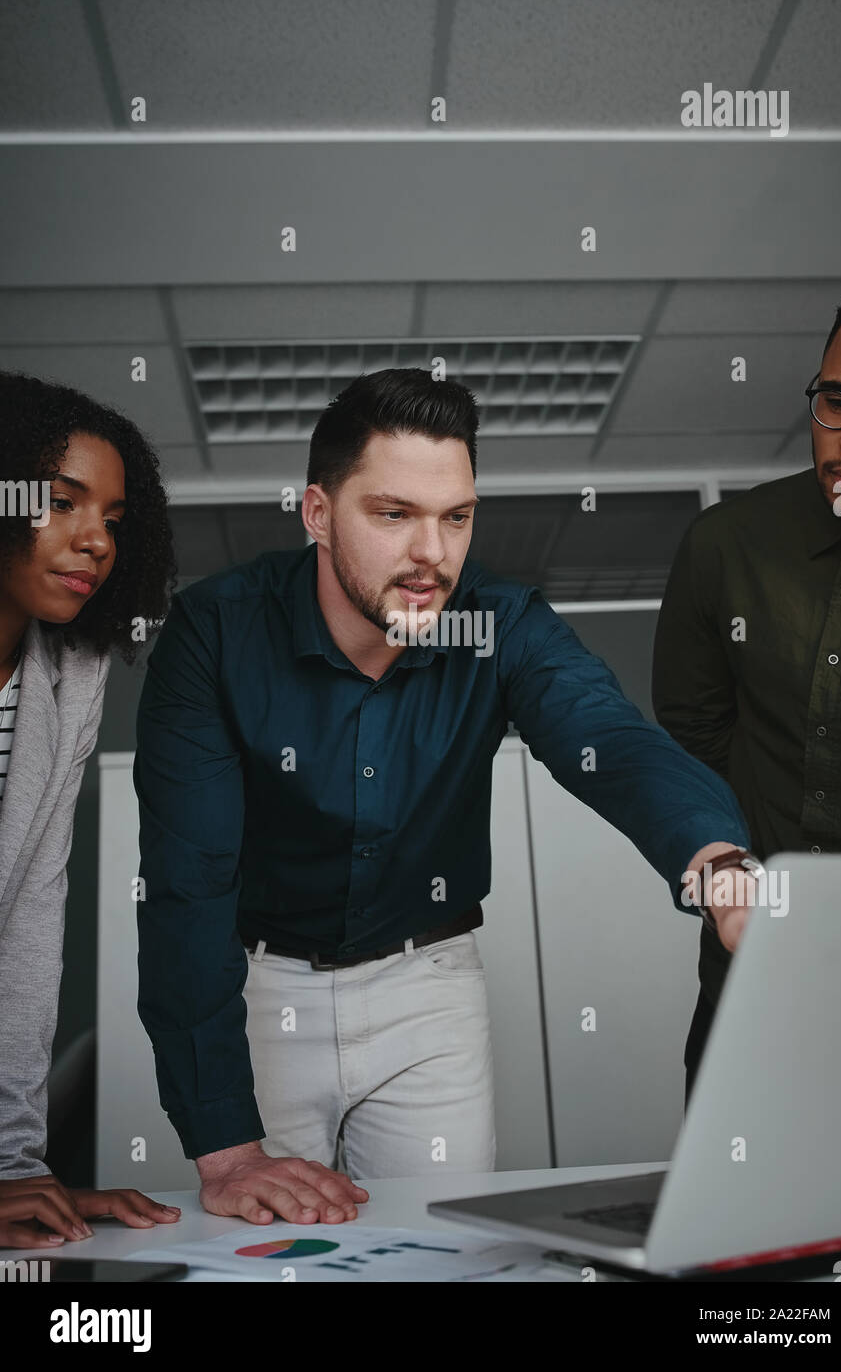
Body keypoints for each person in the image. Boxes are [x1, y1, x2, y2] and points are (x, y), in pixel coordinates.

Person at [135, 367, 760, 1230]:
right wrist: (226, 1145)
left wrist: (716, 862)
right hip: (260, 990)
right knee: (274, 1252)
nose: (433, 553)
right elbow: (187, 883)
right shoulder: (213, 631)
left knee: (443, 1248)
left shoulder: (500, 622)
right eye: (393, 515)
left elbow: (609, 741)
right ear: (317, 512)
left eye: (455, 517)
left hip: (428, 989)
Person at [653, 277, 841, 1105]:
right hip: (757, 985)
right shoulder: (725, 545)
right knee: (745, 1228)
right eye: (837, 401)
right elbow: (690, 744)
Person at [0, 371, 181, 1250]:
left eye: (112, 519)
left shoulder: (69, 673)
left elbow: (29, 921)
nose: (95, 540)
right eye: (64, 502)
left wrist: (18, 1170)